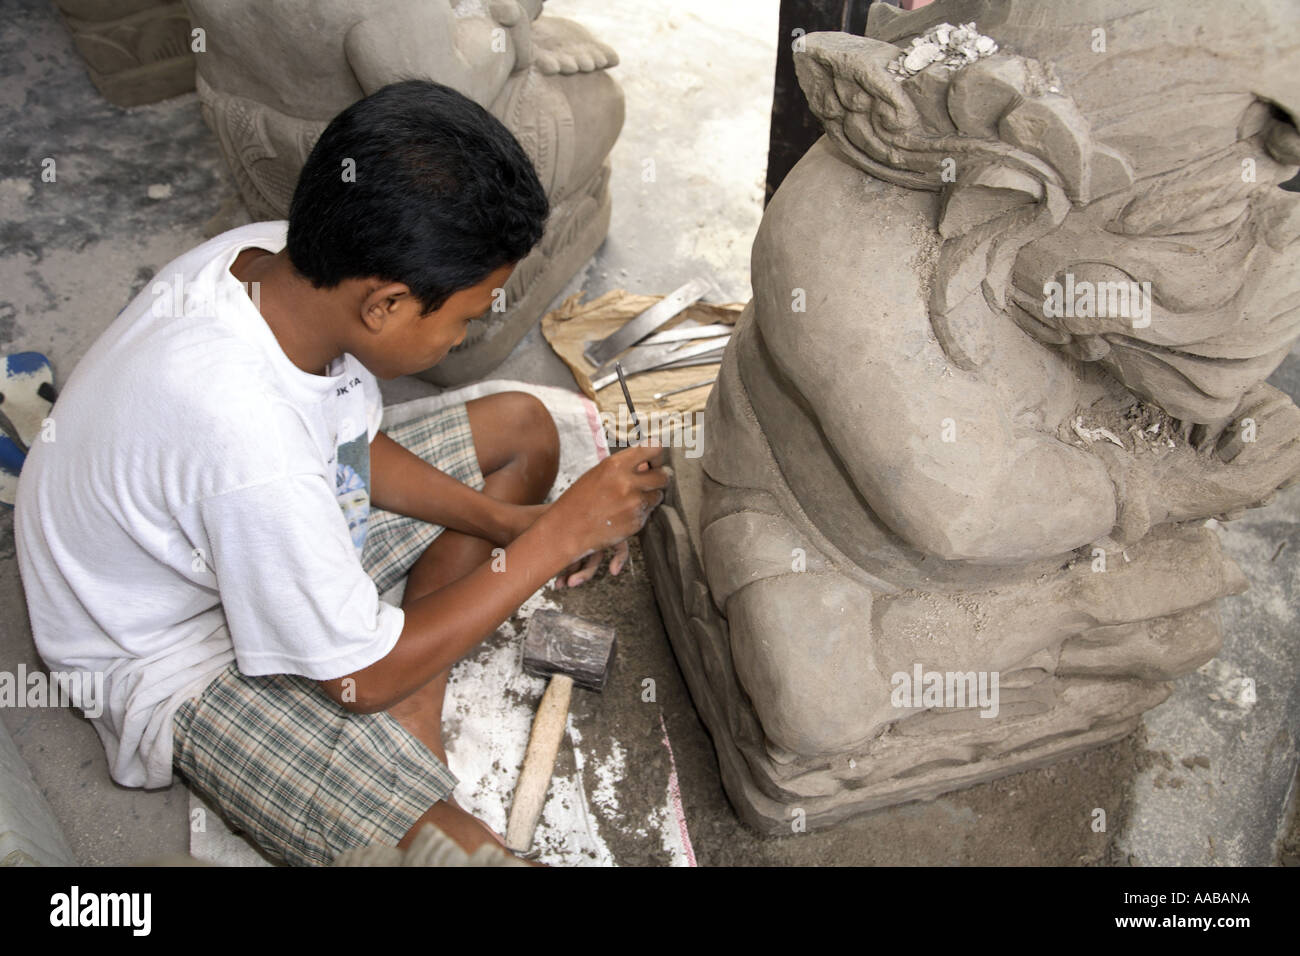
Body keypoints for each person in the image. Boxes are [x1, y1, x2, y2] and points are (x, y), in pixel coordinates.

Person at [14, 80, 667, 866]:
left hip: (224, 529)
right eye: (467, 315)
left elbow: (339, 440)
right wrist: (558, 536)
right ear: (386, 305)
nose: (470, 335)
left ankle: (413, 697)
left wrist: (506, 526)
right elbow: (353, 681)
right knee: (448, 852)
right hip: (166, 650)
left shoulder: (269, 260)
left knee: (522, 431)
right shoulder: (247, 441)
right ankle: (402, 691)